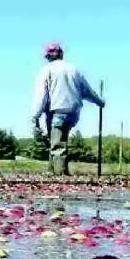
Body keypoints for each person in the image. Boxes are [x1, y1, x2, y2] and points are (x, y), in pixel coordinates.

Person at [31, 42, 105, 175]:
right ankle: (52, 171)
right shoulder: (74, 69)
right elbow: (87, 91)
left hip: (58, 110)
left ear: (48, 57)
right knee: (57, 139)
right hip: (73, 112)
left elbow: (42, 96)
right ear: (61, 54)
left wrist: (35, 116)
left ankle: (60, 175)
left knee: (57, 145)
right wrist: (99, 102)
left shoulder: (47, 70)